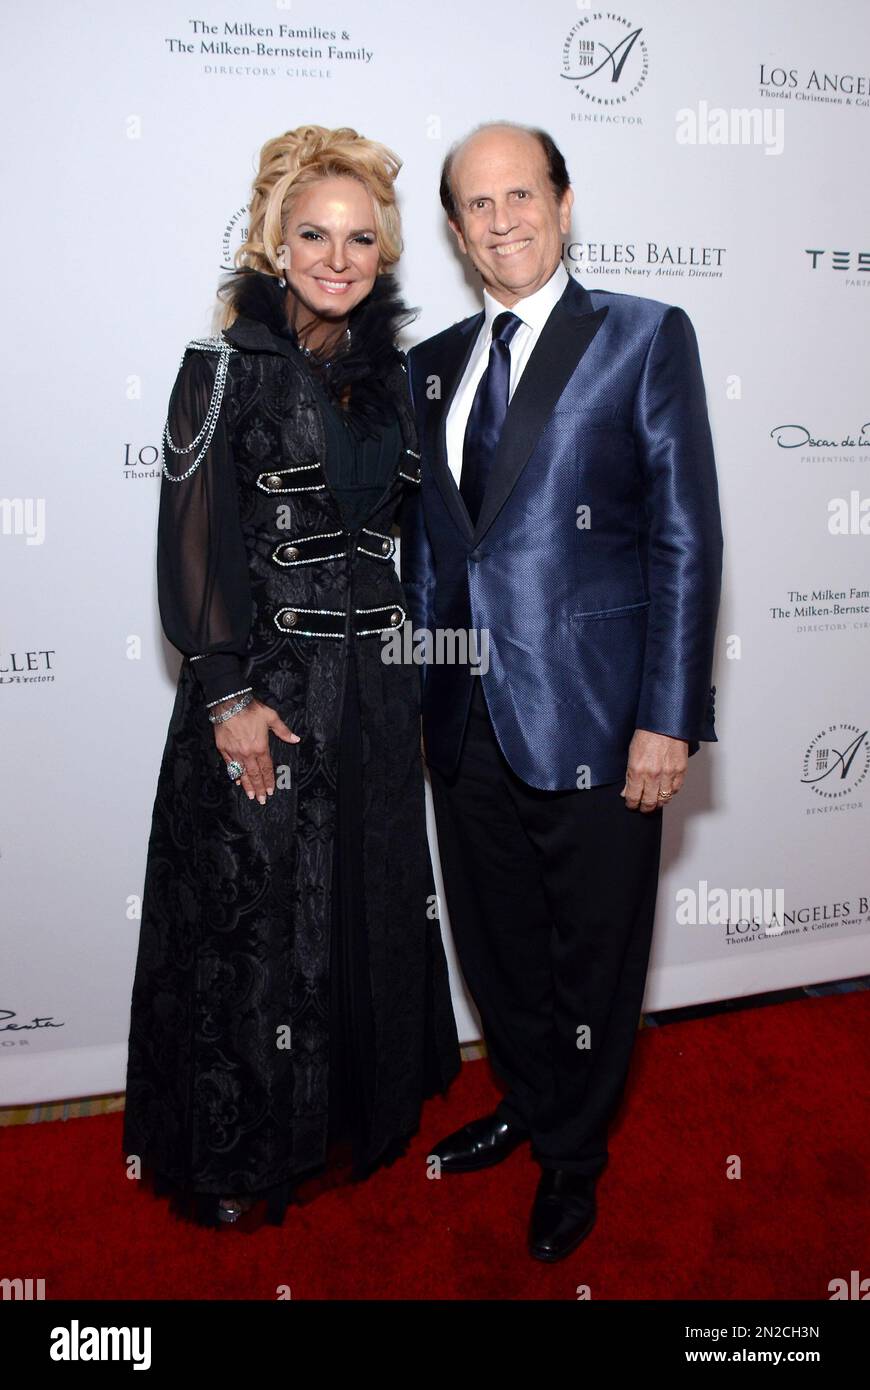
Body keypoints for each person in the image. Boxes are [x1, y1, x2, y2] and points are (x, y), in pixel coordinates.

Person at [123, 124, 461, 1229]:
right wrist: (228, 696)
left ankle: (354, 1118)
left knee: (361, 903)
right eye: (314, 233)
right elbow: (193, 542)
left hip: (373, 695)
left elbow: (408, 543)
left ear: (385, 252)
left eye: (362, 237)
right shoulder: (221, 370)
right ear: (275, 240)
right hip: (266, 694)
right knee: (258, 927)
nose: (339, 255)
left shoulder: (395, 382)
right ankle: (242, 1153)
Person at [401, 121, 722, 1261]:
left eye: (521, 195)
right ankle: (530, 1101)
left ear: (564, 200)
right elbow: (439, 557)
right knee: (496, 947)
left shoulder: (642, 337)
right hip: (466, 722)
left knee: (593, 951)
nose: (503, 222)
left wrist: (670, 714)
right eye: (477, 207)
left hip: (599, 715)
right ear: (453, 229)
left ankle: (574, 1159)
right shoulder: (431, 363)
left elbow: (686, 536)